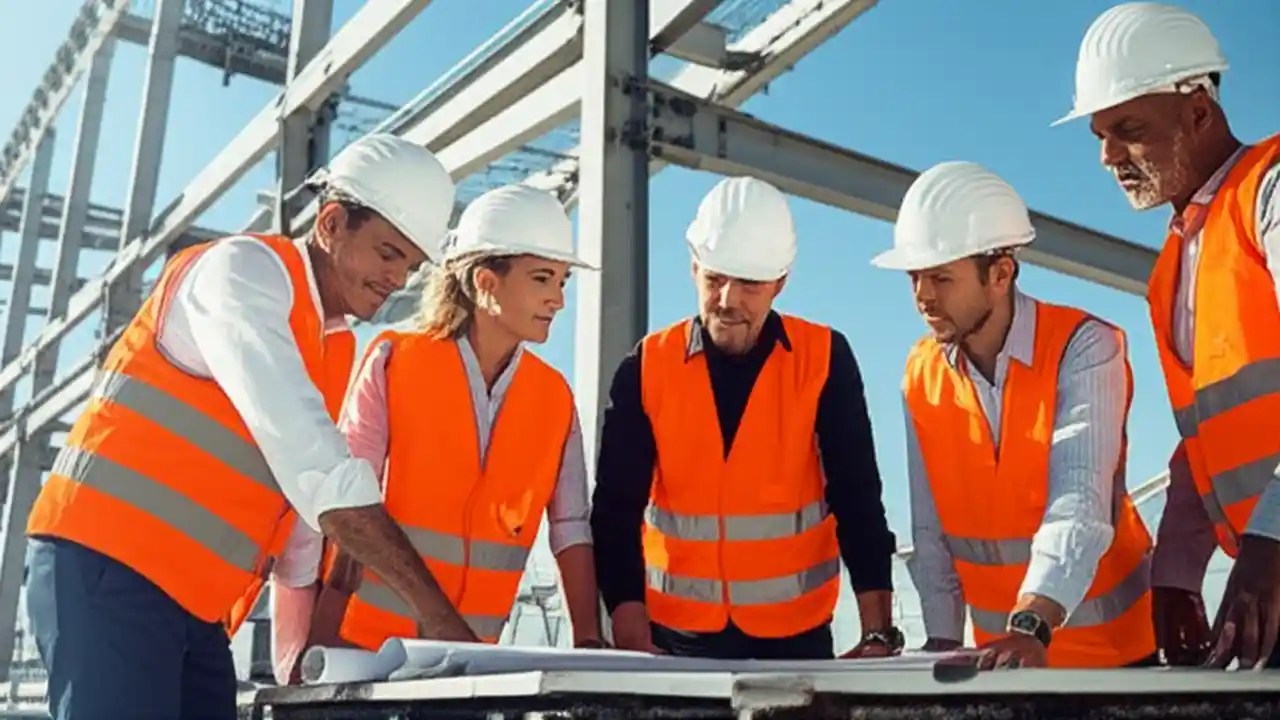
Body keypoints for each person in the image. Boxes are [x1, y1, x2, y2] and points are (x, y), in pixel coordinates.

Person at [22, 133, 478, 719]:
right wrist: (438, 615)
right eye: (388, 253)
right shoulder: (243, 274)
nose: (398, 279)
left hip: (195, 607)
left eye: (412, 266)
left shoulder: (331, 342)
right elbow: (318, 469)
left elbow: (295, 525)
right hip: (108, 571)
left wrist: (305, 644)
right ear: (333, 222)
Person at [269, 184, 604, 683]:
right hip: (366, 651)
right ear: (486, 282)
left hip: (474, 660)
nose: (557, 298)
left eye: (562, 282)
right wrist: (315, 642)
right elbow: (337, 511)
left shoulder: (554, 397)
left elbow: (571, 527)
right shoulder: (394, 360)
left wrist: (590, 645)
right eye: (542, 279)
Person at [590, 176, 903, 660]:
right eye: (715, 278)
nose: (728, 300)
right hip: (672, 641)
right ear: (694, 268)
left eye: (751, 284)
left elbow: (858, 497)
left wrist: (878, 632)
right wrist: (627, 623)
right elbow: (615, 508)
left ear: (780, 282)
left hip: (796, 642)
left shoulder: (824, 359)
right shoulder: (647, 365)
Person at [1054, 1, 1280, 670]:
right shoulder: (1179, 262)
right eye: (1098, 134)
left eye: (1127, 129)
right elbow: (1208, 436)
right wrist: (1177, 569)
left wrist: (1272, 540)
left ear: (1199, 113)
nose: (1106, 156)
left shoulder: (1269, 192)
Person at [874, 160, 1157, 670]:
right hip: (1004, 666)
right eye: (915, 277)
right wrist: (941, 642)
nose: (923, 296)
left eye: (941, 277)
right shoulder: (920, 373)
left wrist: (1032, 621)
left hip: (1116, 663)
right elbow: (931, 531)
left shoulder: (1084, 346)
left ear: (1001, 273)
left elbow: (1081, 500)